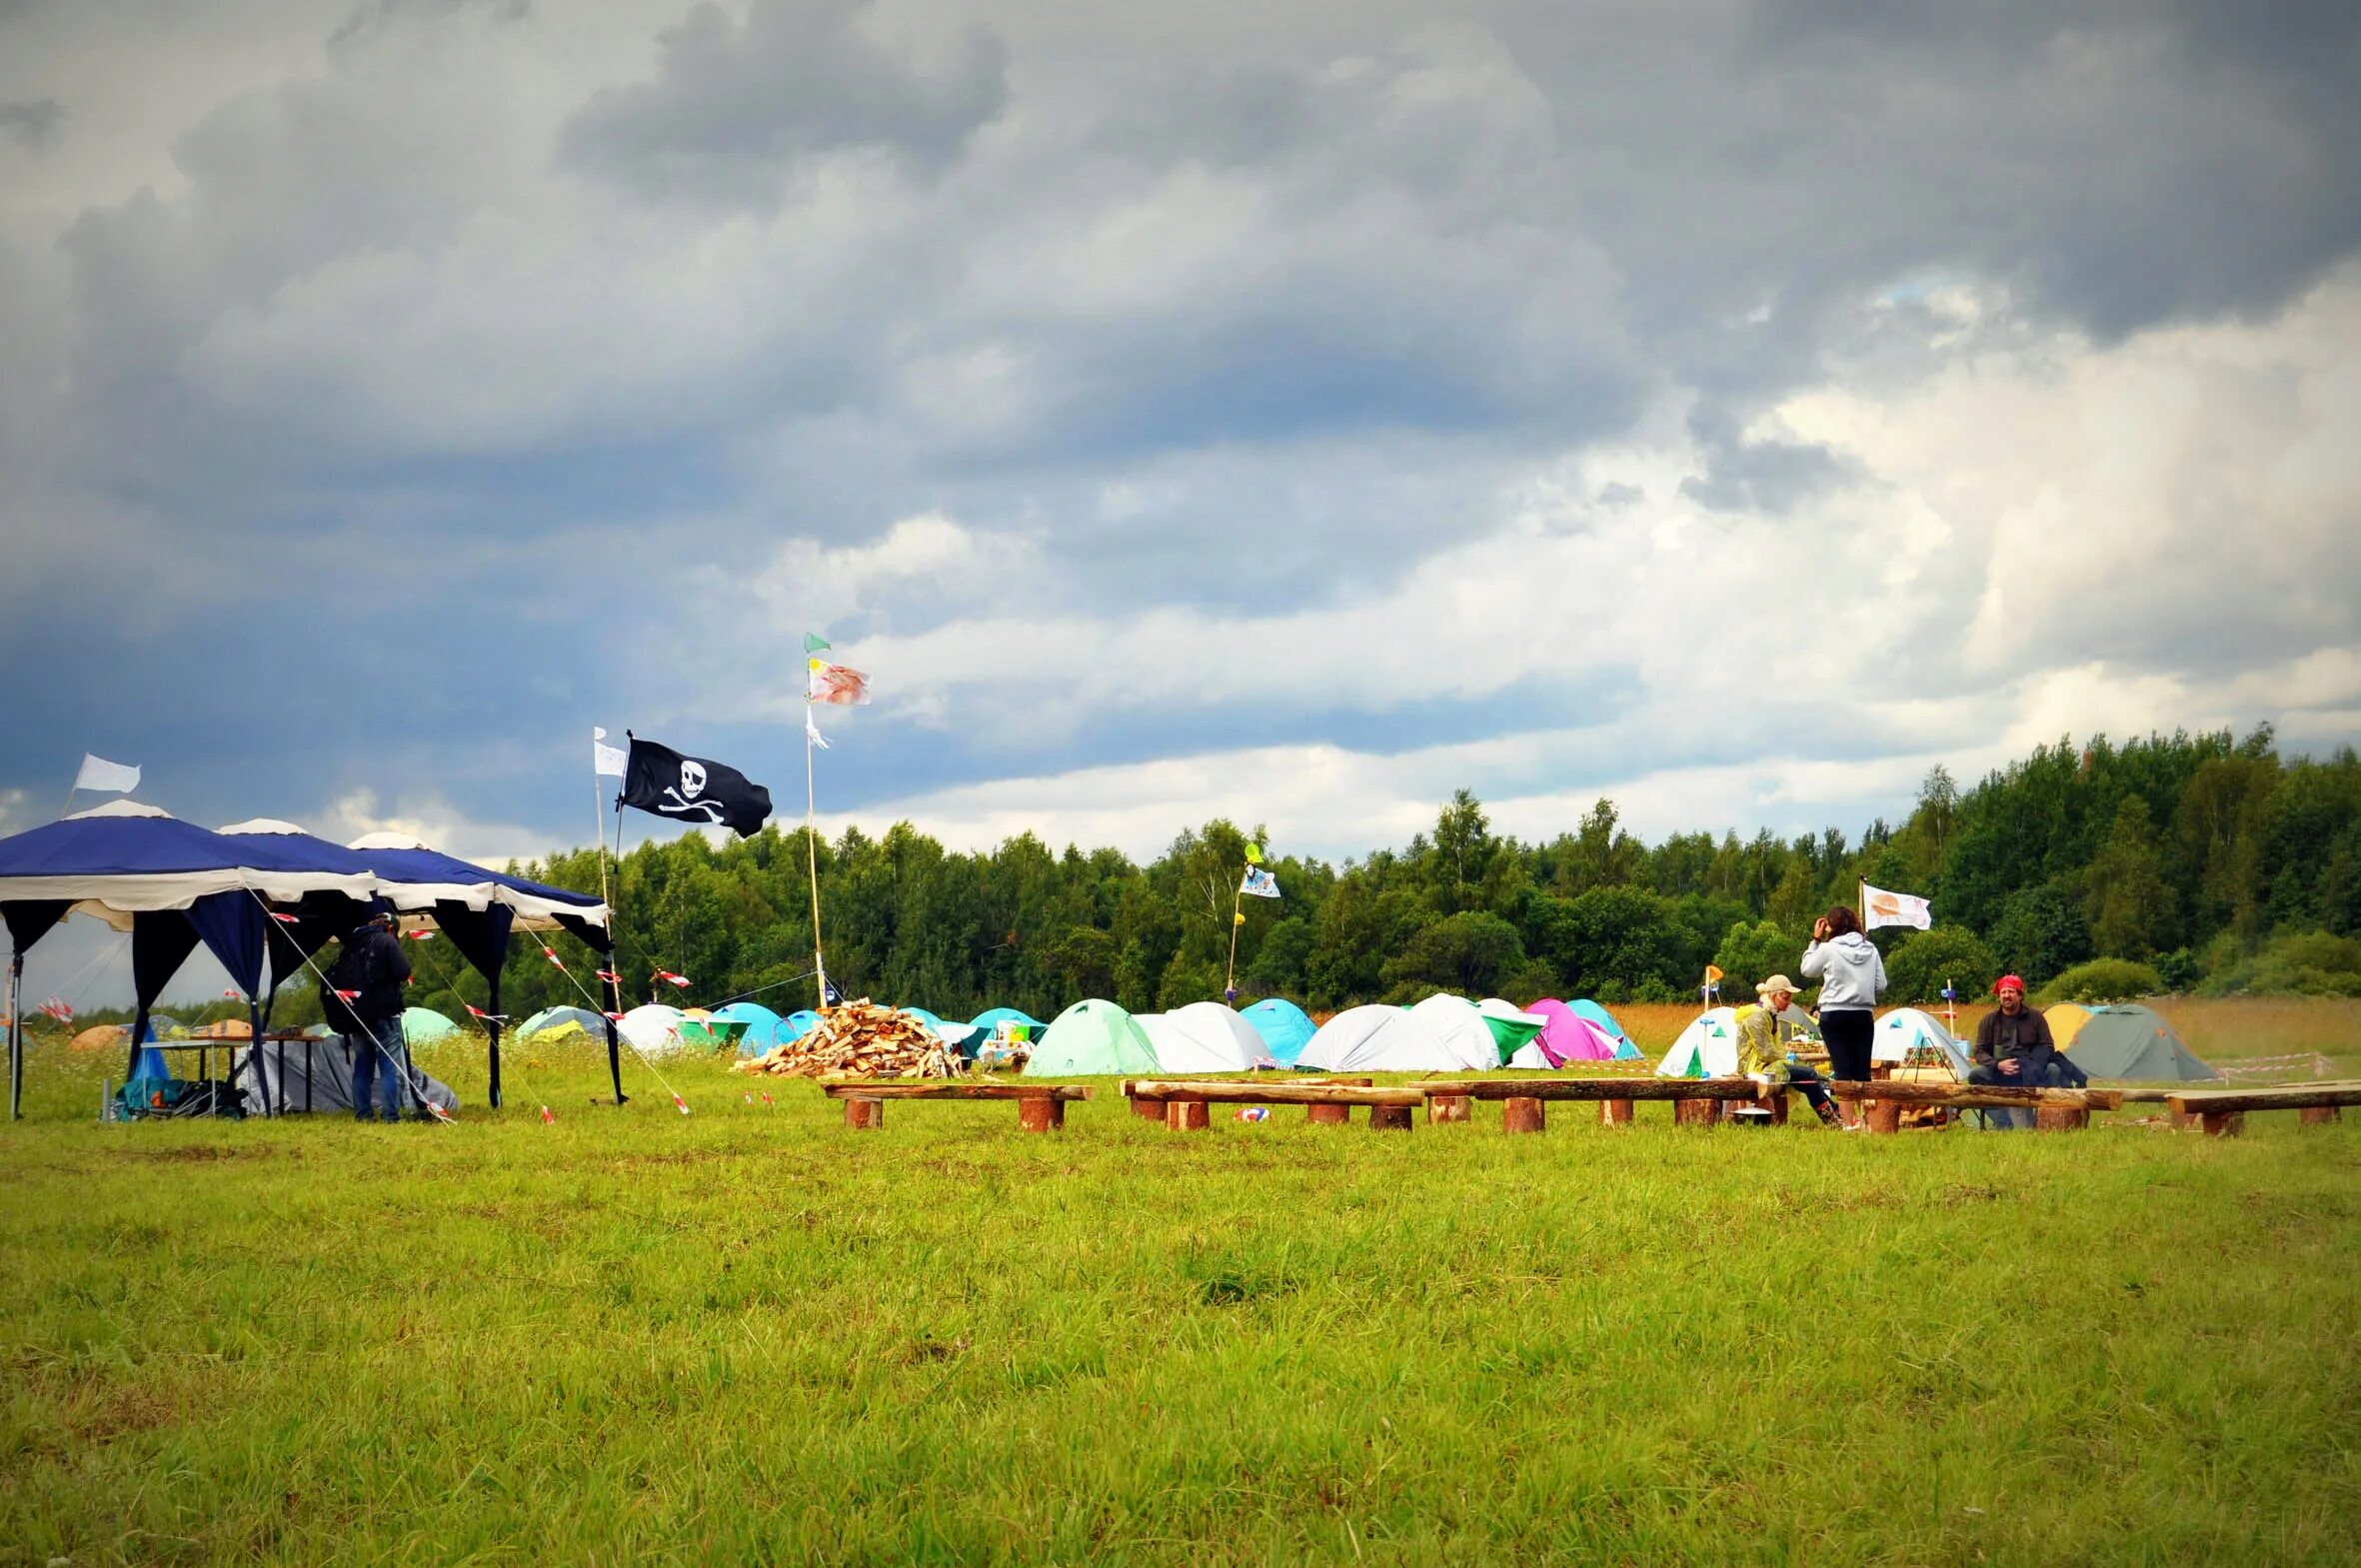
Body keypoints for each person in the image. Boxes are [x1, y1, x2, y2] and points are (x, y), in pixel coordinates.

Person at [326, 904, 414, 1123]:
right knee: (388, 1066)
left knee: (362, 1067)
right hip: (384, 1013)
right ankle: (390, 1115)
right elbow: (404, 971)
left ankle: (363, 1114)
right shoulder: (387, 941)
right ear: (391, 927)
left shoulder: (356, 942)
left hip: (357, 1015)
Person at [1969, 973, 2085, 1129]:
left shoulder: (2035, 1017)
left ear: (2020, 995)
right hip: (2001, 1071)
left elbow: (2047, 1046)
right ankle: (2003, 1121)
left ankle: (2048, 1121)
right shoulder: (1989, 1020)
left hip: (2032, 1070)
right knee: (1976, 1074)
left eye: (2011, 992)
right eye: (2003, 992)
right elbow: (1980, 1051)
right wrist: (1998, 1064)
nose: (2006, 996)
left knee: (2054, 1070)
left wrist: (2029, 1065)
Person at [1734, 975, 1844, 1127]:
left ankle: (1835, 1116)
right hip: (1754, 1069)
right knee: (1808, 1075)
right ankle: (1834, 1118)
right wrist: (1785, 1061)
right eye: (1786, 998)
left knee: (1810, 1077)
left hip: (1767, 1065)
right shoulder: (1757, 1016)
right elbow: (1766, 1051)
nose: (1789, 1002)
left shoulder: (1770, 1014)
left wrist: (1784, 1060)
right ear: (1773, 996)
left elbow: (1776, 1046)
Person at [1801, 904, 1885, 1088]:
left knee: (1842, 1071)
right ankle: (1864, 1115)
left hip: (1834, 1013)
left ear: (1831, 926)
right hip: (1862, 1013)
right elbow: (1881, 985)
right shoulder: (1871, 949)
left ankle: (1847, 1118)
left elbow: (1807, 970)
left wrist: (1815, 939)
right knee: (1862, 1071)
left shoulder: (1828, 948)